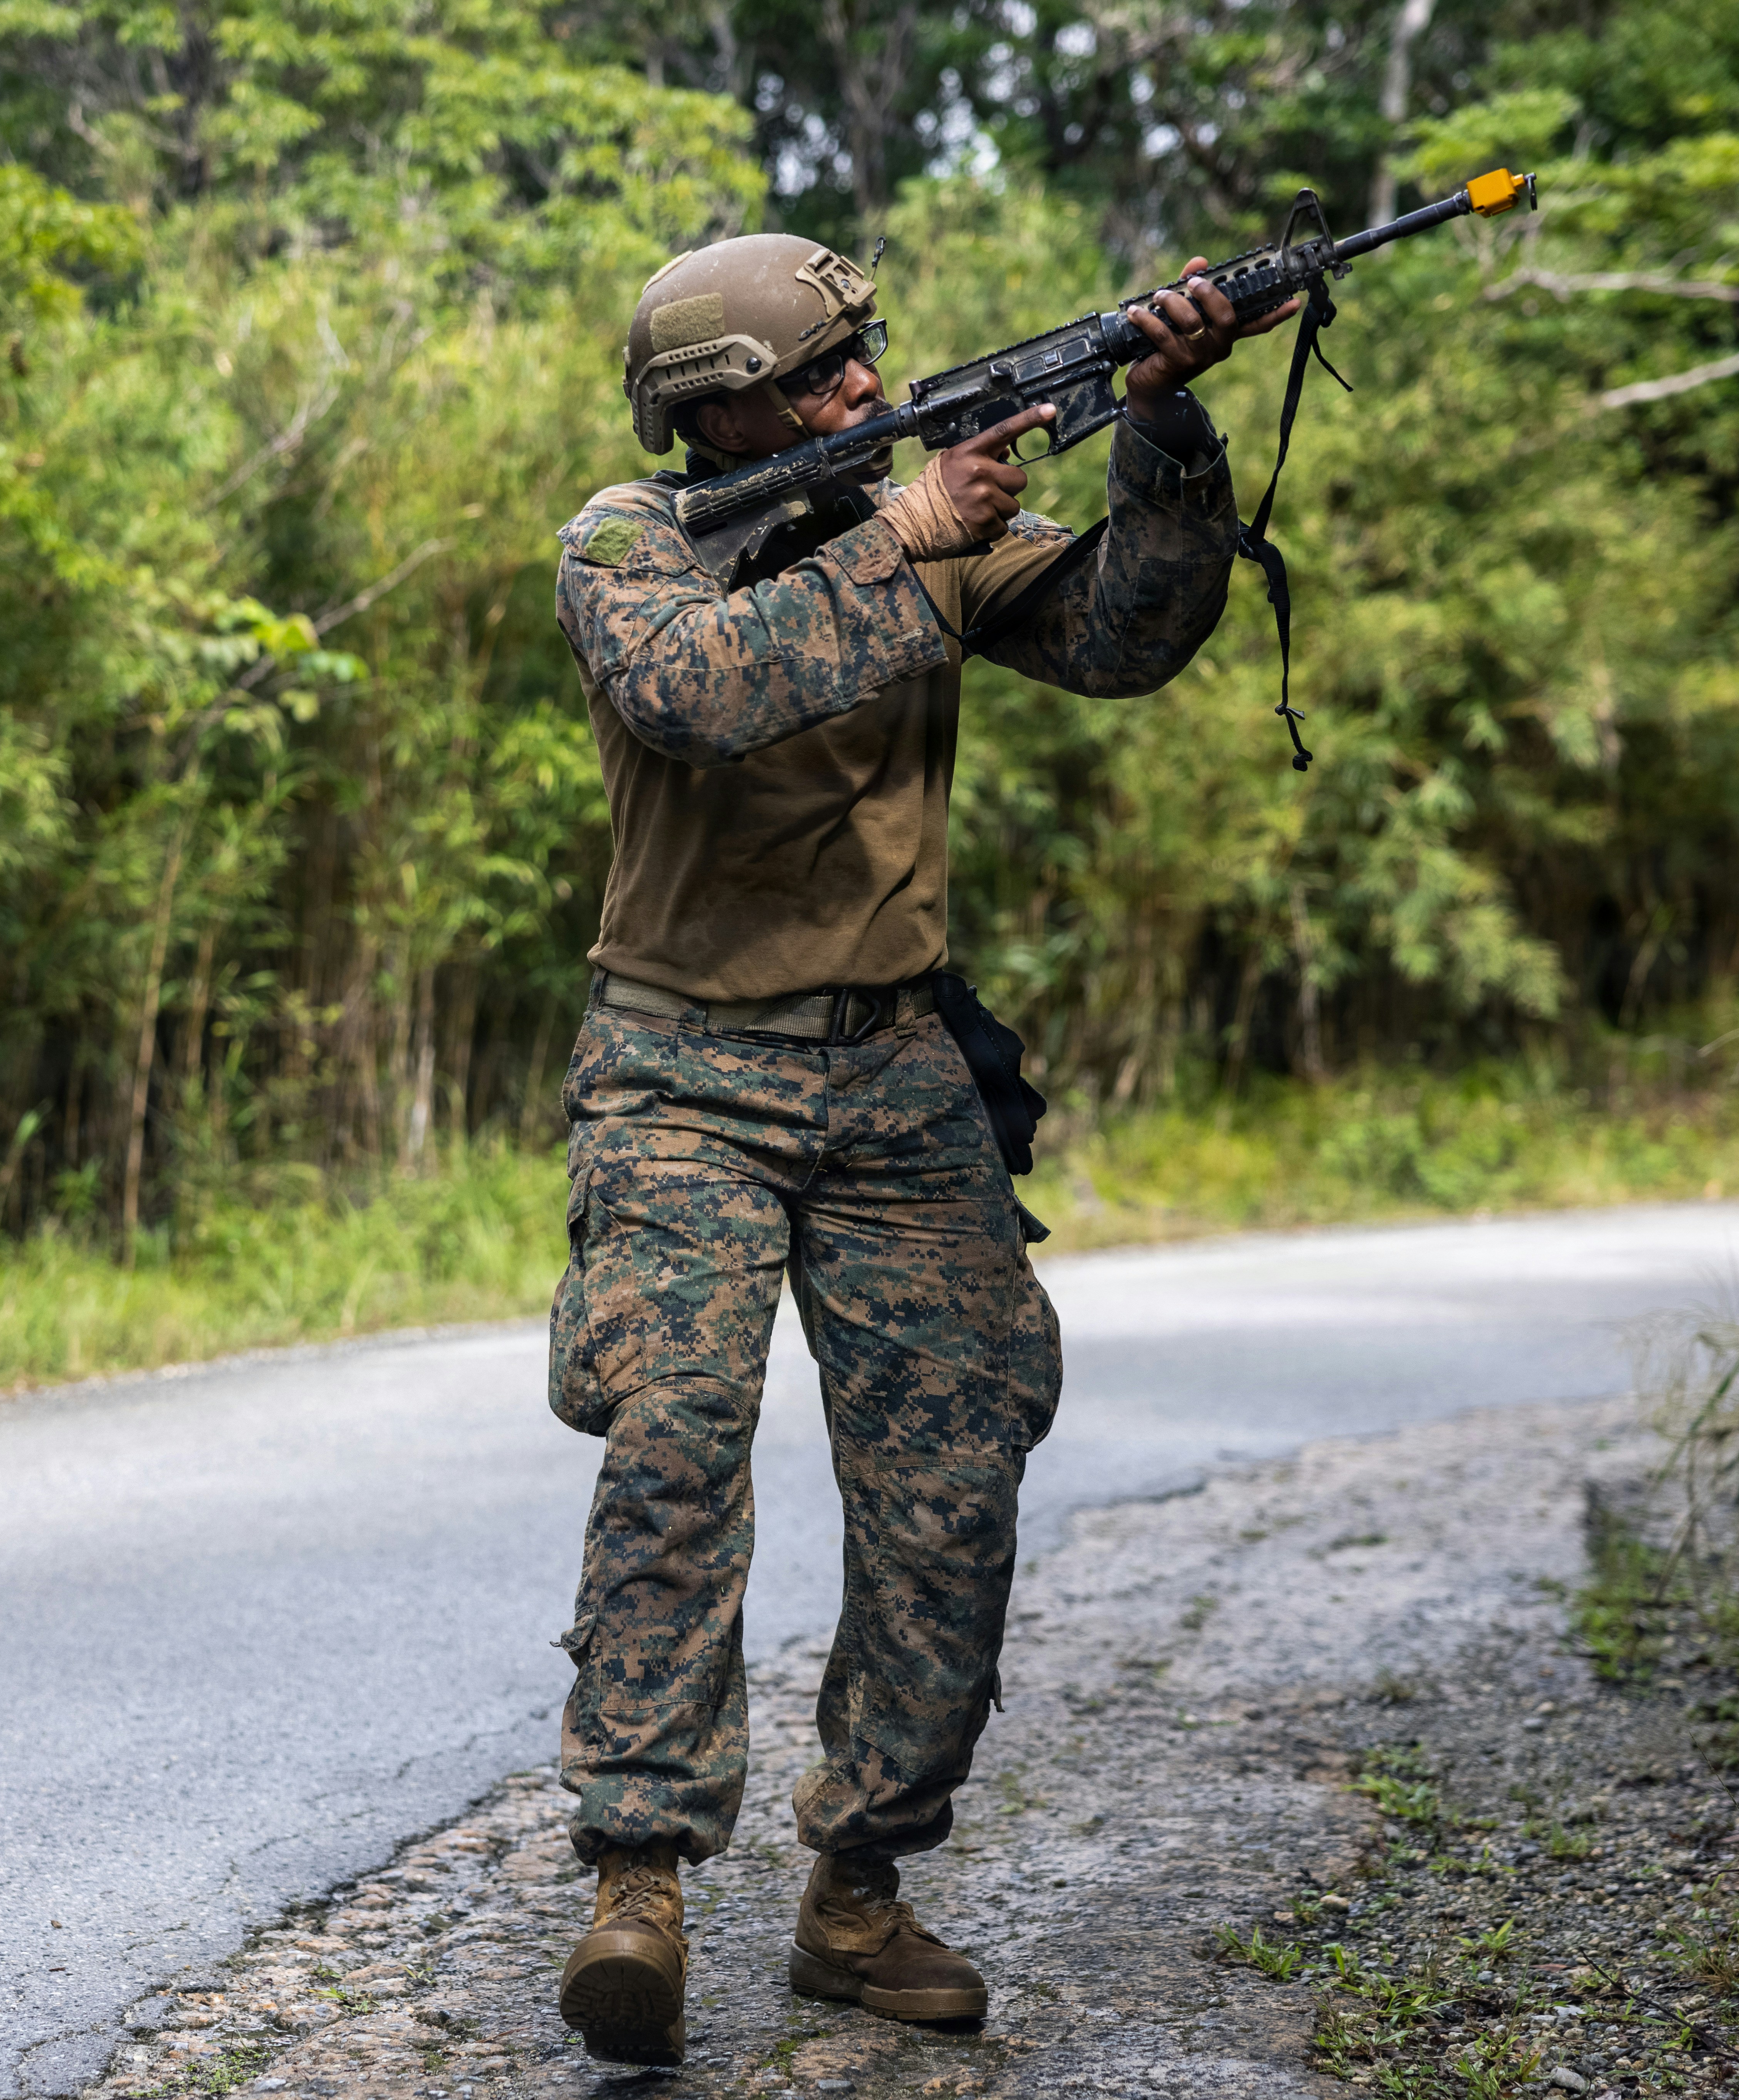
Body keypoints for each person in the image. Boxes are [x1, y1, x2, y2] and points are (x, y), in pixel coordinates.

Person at [542, 235, 1294, 2066]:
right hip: (679, 1074)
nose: (865, 398)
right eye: (825, 380)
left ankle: (857, 1890)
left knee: (959, 1471)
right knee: (675, 1443)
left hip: (895, 1070)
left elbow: (1127, 635)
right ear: (718, 405)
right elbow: (699, 693)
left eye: (865, 364)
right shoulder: (625, 541)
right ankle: (638, 1872)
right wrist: (909, 534)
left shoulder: (928, 528)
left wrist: (1164, 429)